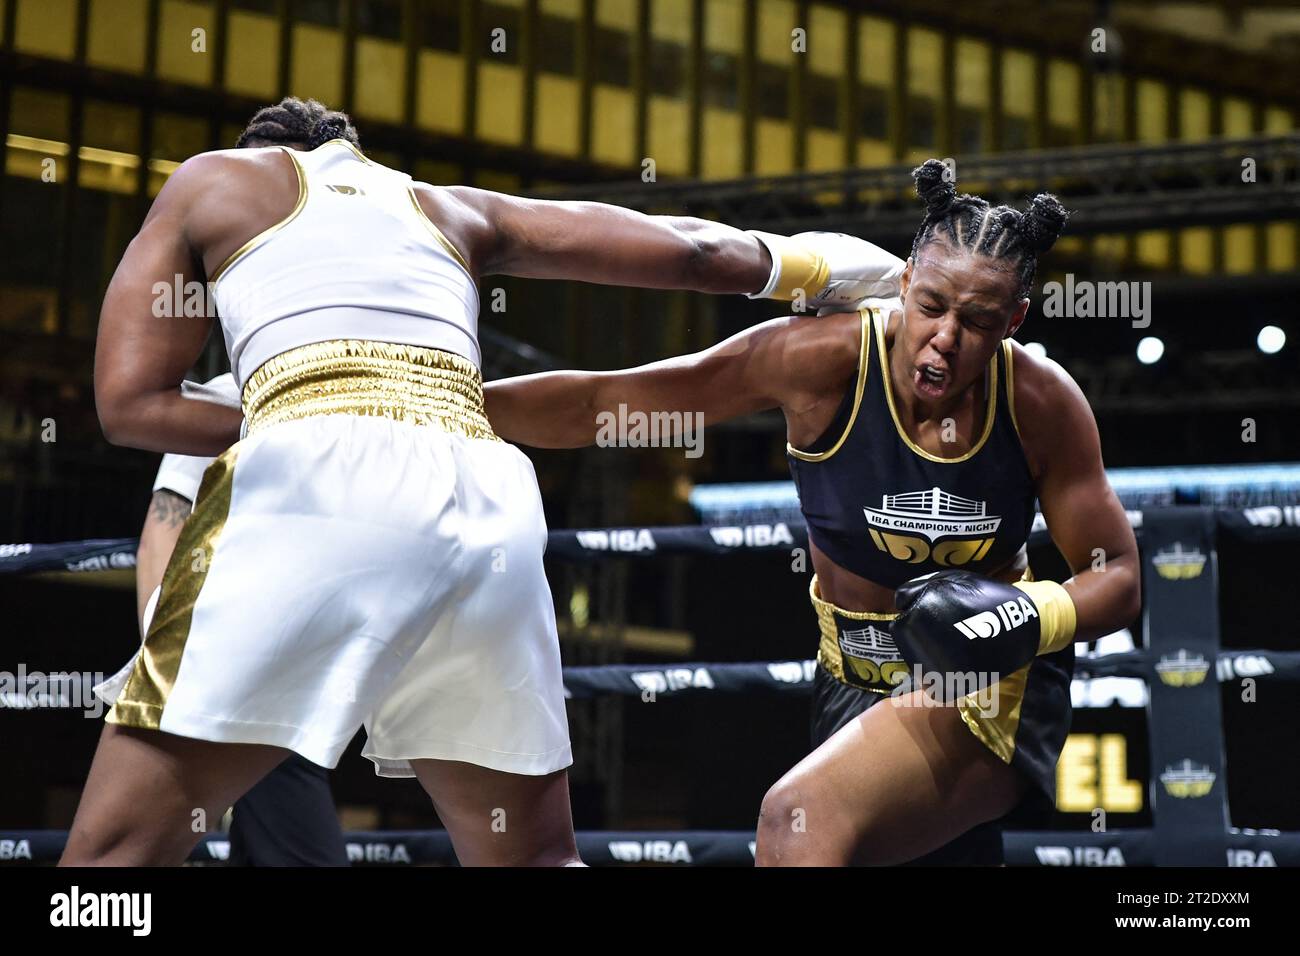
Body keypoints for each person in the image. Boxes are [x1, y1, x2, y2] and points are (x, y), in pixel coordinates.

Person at [62, 96, 905, 866]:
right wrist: (840, 272)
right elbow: (696, 252)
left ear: (260, 154)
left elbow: (130, 406)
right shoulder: (448, 205)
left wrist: (298, 407)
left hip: (315, 489)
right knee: (534, 858)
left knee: (112, 860)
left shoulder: (214, 178)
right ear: (354, 152)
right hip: (483, 497)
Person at [482, 160, 1142, 866]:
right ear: (905, 284)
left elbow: (1118, 576)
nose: (946, 337)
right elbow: (607, 404)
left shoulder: (1041, 402)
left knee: (798, 820)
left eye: (977, 321)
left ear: (1013, 320)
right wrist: (447, 400)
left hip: (986, 685)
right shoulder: (818, 363)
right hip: (849, 675)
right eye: (932, 307)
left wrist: (1020, 617)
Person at [108, 372, 348, 866]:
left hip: (316, 669)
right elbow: (164, 529)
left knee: (262, 844)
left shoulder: (370, 390)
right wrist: (165, 663)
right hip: (234, 664)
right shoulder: (238, 387)